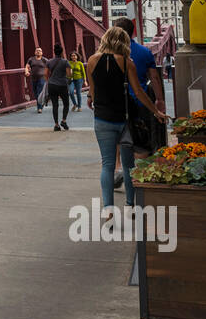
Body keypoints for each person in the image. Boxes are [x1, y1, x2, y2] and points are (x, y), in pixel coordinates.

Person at [86, 26, 168, 212]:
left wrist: (91, 100)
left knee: (107, 165)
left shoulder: (91, 61)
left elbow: (92, 91)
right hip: (124, 121)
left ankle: (108, 210)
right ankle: (131, 205)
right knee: (129, 165)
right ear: (123, 42)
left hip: (102, 120)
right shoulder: (126, 62)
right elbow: (138, 93)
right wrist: (156, 111)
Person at [113, 16, 166, 155]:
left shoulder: (109, 54)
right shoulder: (144, 52)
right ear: (132, 32)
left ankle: (123, 169)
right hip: (140, 102)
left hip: (116, 104)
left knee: (120, 142)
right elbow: (154, 77)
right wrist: (159, 100)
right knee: (141, 138)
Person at [44, 44, 72, 131]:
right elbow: (69, 74)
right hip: (62, 85)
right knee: (66, 104)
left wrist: (48, 81)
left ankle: (56, 125)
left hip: (52, 85)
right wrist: (69, 80)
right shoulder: (65, 62)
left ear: (54, 52)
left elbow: (45, 74)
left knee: (55, 105)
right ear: (62, 52)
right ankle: (63, 120)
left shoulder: (49, 61)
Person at [25, 46, 49, 113]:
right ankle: (42, 102)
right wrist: (26, 71)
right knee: (35, 93)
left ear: (42, 53)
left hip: (42, 78)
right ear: (35, 52)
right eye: (37, 50)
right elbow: (27, 66)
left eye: (40, 51)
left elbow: (50, 67)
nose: (38, 51)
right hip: (33, 78)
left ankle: (39, 108)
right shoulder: (31, 59)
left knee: (39, 92)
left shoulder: (44, 60)